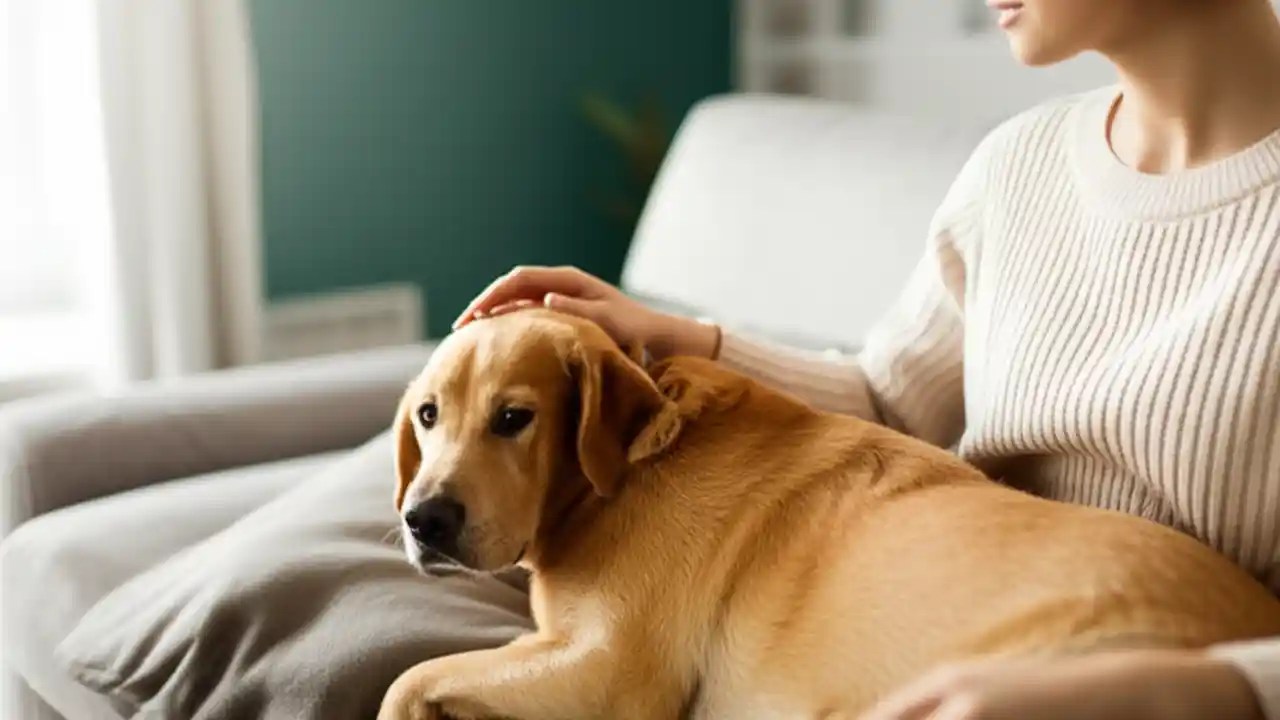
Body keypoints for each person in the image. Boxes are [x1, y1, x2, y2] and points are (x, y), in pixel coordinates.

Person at [455, 0, 1280, 717]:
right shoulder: (1018, 166)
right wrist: (683, 340)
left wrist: (1204, 689)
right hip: (936, 634)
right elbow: (892, 405)